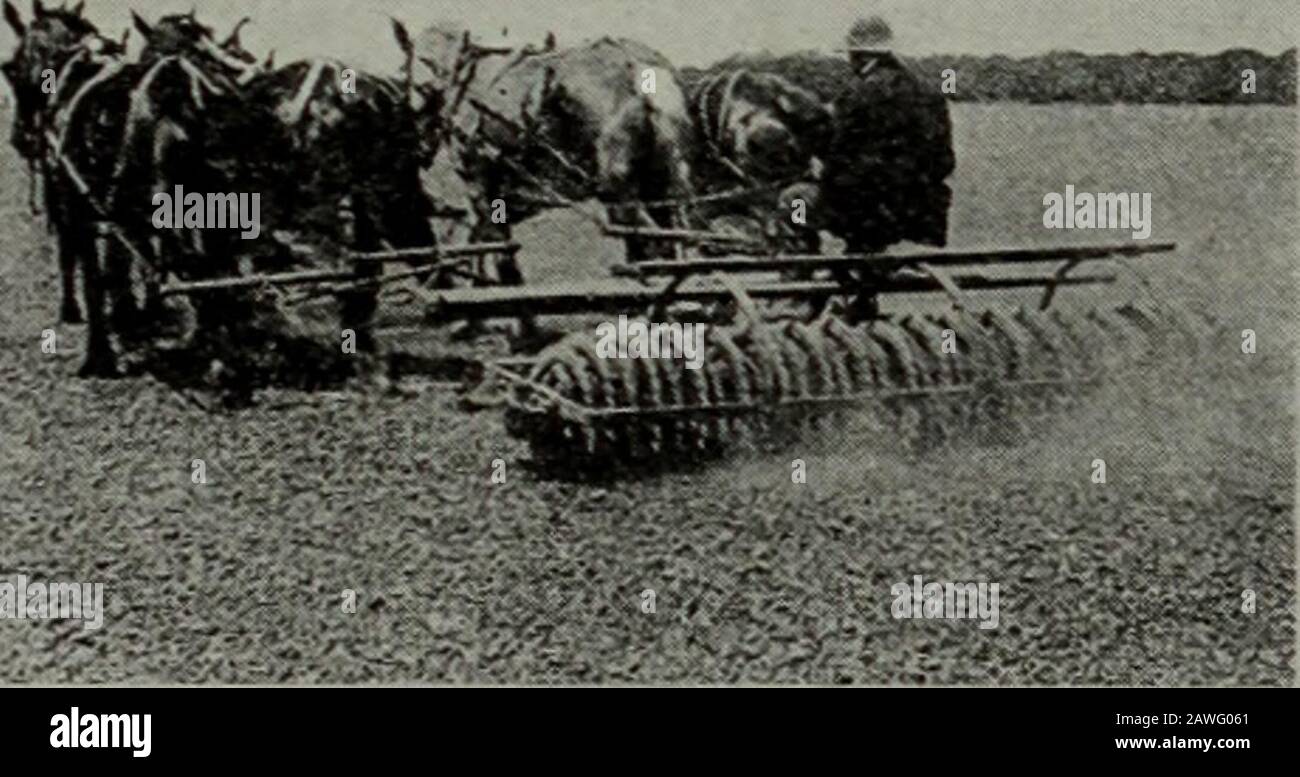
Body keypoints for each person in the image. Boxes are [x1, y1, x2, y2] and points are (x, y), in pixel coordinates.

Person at [822, 17, 956, 256]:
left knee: (792, 201)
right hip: (923, 215)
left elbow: (837, 156)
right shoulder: (930, 93)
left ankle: (799, 279)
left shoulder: (856, 94)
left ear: (860, 56)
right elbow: (944, 162)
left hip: (869, 216)